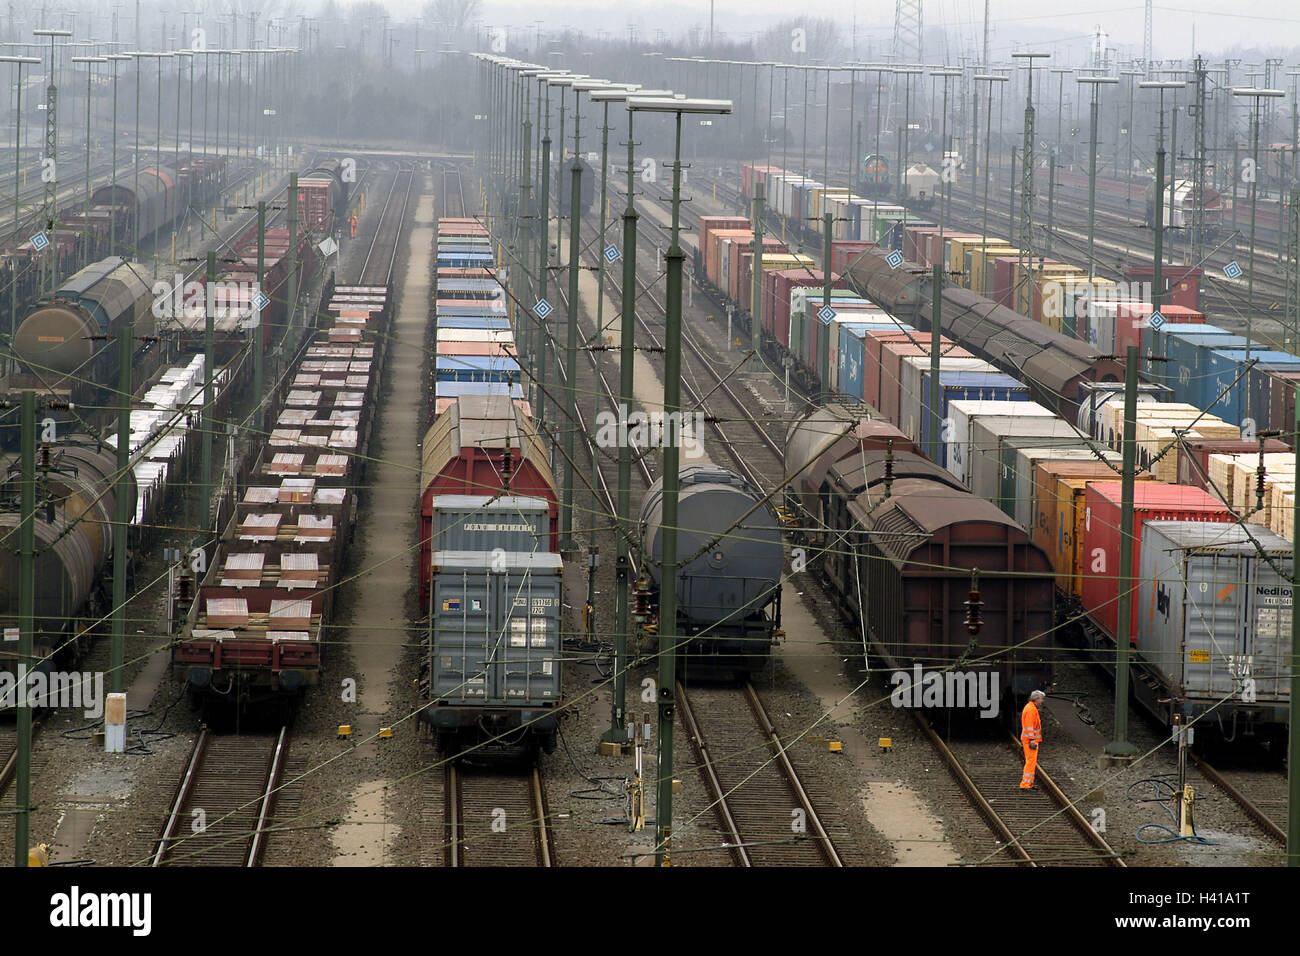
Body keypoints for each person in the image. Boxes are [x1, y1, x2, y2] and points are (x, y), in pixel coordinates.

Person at [1020, 690, 1045, 789]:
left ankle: (1029, 784)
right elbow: (1029, 726)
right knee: (1030, 762)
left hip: (1030, 739)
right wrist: (1032, 740)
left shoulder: (1031, 708)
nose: (1042, 701)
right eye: (1041, 699)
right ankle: (1025, 784)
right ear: (1037, 699)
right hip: (1030, 740)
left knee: (1031, 762)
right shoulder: (1031, 709)